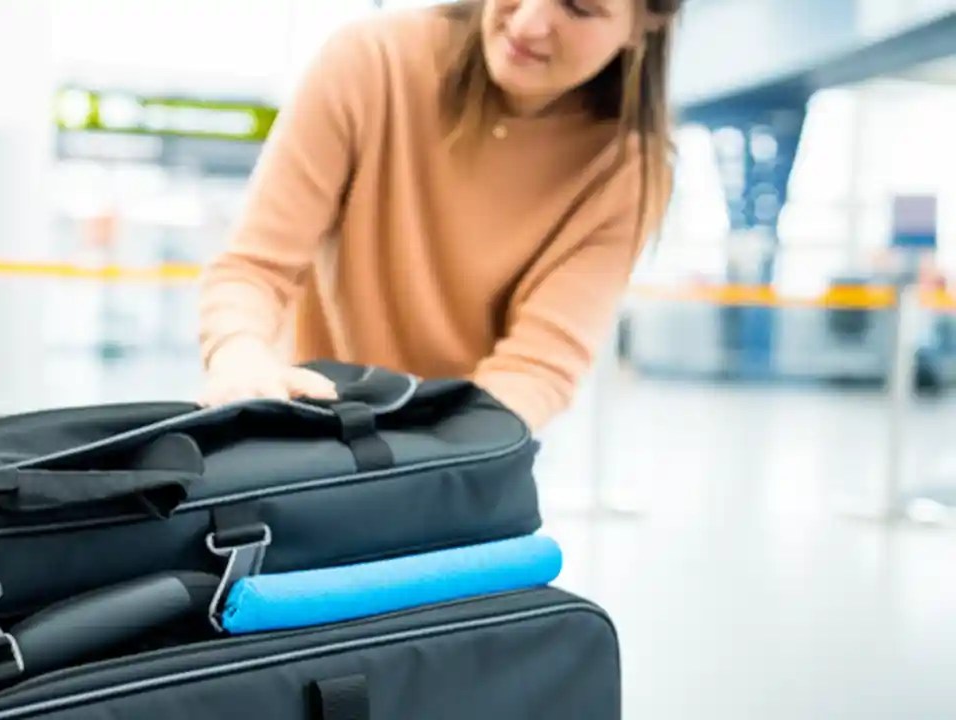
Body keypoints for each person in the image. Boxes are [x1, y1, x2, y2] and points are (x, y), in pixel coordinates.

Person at [196, 0, 681, 432]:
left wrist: (434, 462)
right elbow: (255, 269)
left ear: (646, 23)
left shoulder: (626, 169)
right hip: (313, 436)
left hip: (459, 454)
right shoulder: (372, 61)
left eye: (578, 7)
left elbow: (537, 369)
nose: (529, 22)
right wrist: (240, 356)